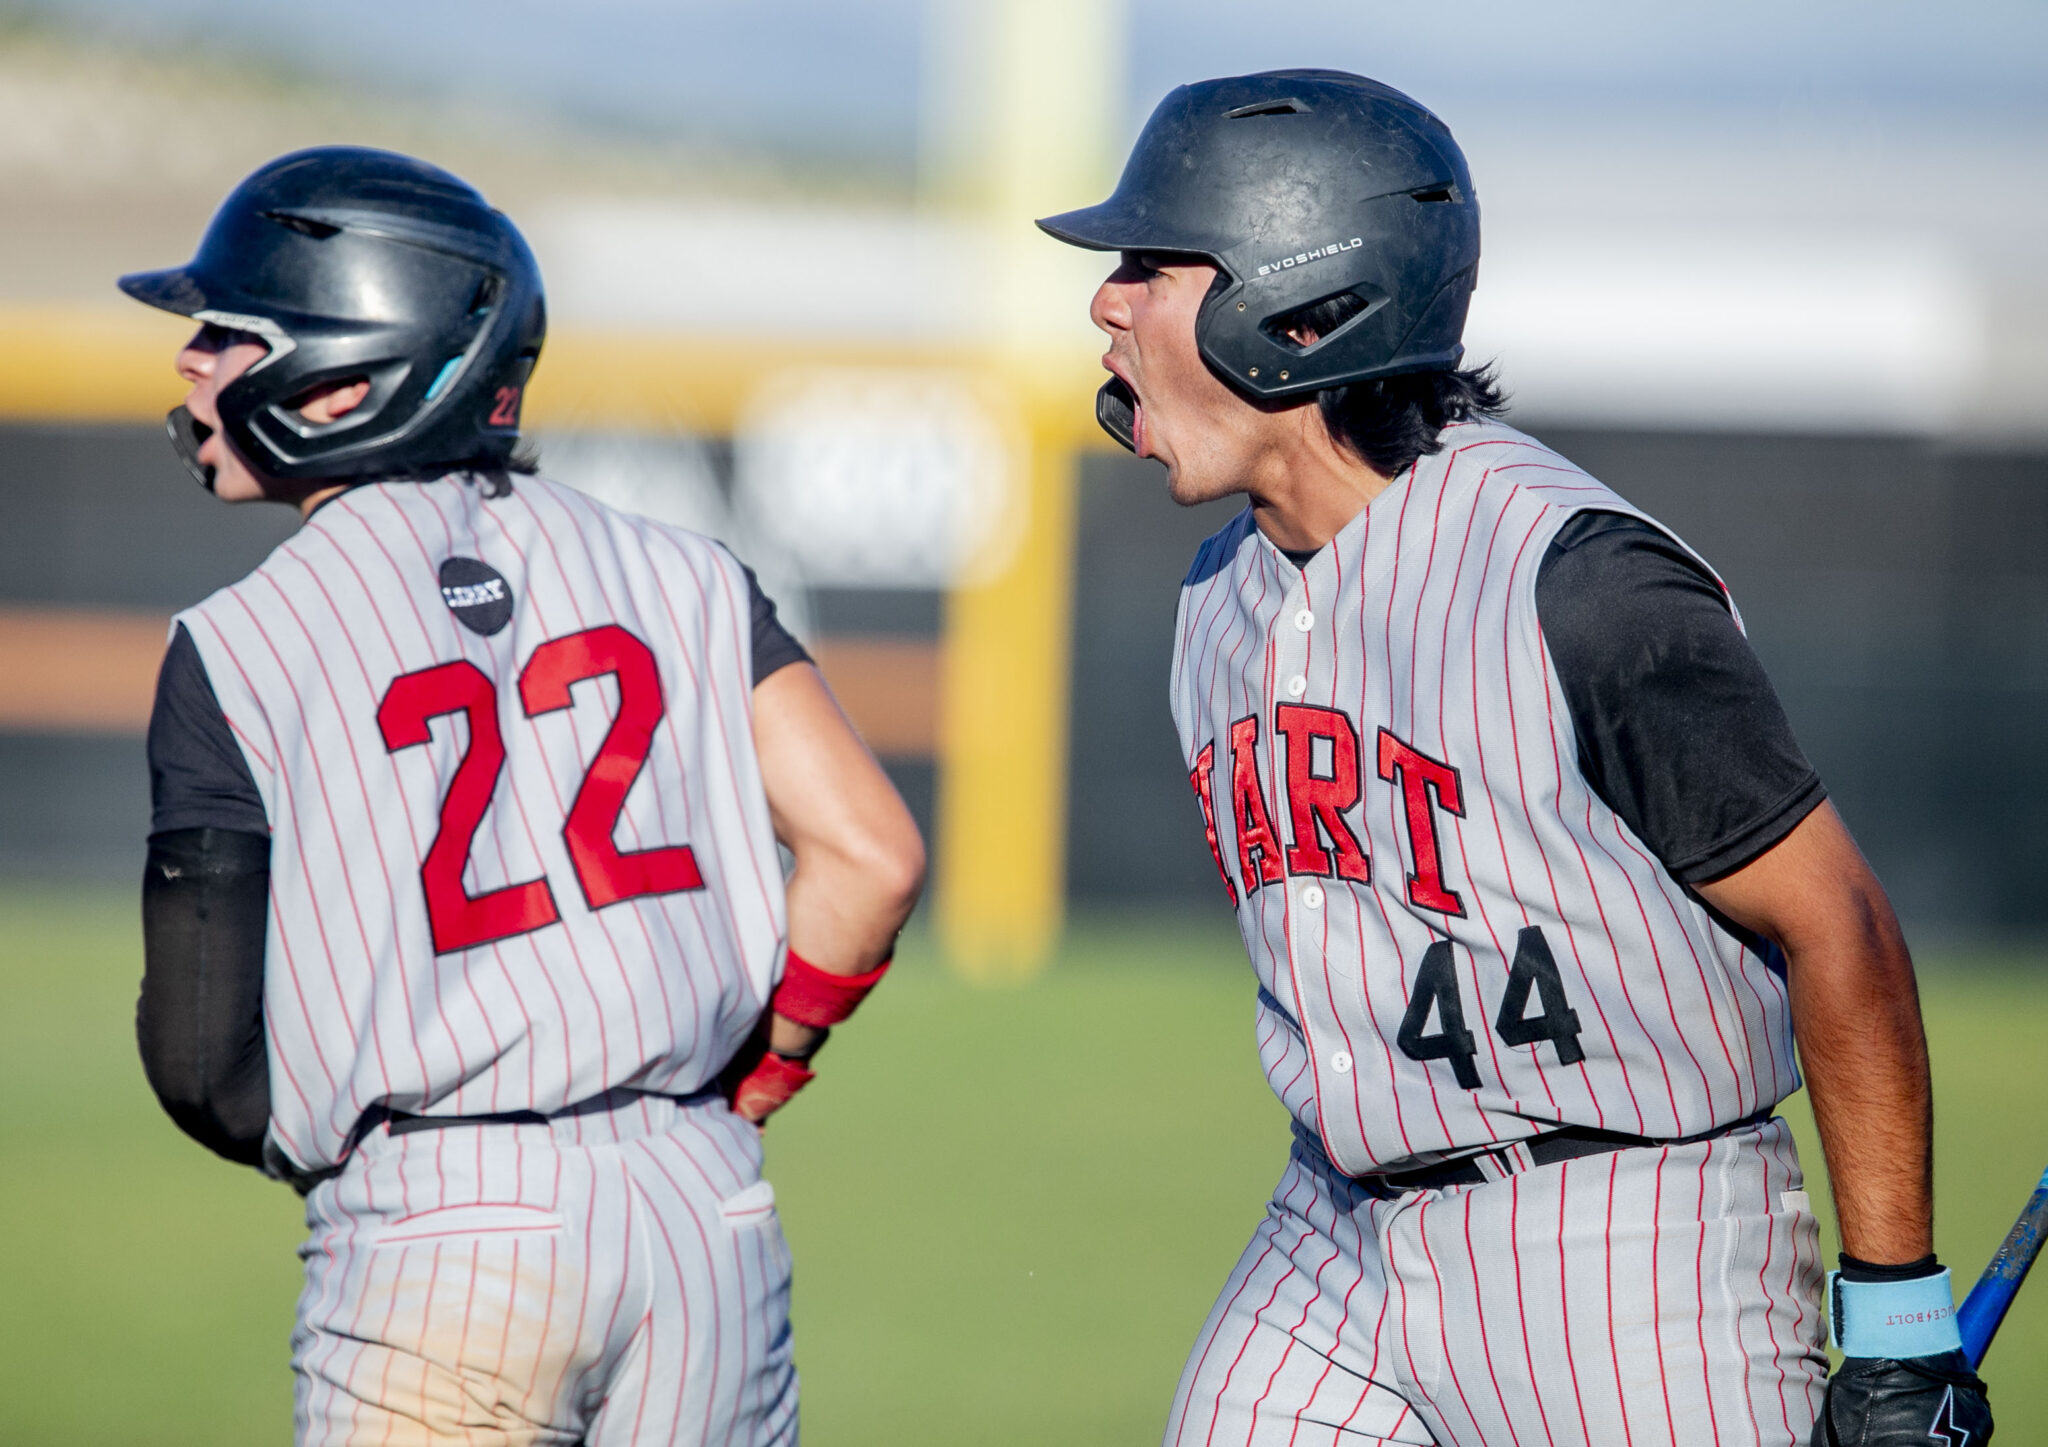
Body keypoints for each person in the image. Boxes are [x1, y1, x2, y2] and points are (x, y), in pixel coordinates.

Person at [1038, 70, 1990, 1447]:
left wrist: (1898, 1330)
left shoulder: (1576, 582)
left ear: (1300, 308)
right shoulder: (1217, 596)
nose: (1107, 304)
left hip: (1622, 1241)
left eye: (1152, 264)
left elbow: (1837, 926)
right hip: (1334, 1226)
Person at [126, 145, 924, 1446]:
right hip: (701, 1203)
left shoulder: (241, 637)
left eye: (229, 331)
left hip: (443, 1215)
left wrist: (363, 1155)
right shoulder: (689, 572)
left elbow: (205, 1061)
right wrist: (771, 1063)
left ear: (338, 381)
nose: (191, 361)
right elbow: (869, 854)